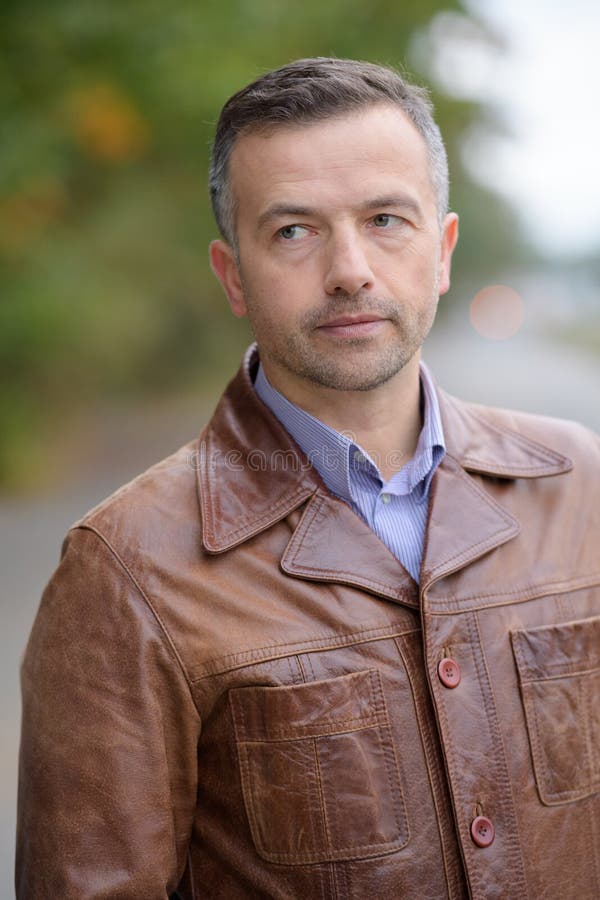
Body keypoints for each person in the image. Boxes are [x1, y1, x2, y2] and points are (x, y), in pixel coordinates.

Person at [16, 57, 600, 900]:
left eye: (386, 219)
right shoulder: (126, 569)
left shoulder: (580, 485)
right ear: (232, 276)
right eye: (294, 231)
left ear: (442, 251)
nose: (350, 269)